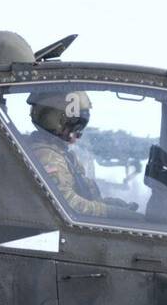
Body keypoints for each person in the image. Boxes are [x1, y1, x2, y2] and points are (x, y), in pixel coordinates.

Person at [25, 90, 137, 219]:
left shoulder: (61, 154)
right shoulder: (48, 157)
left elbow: (80, 195)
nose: (78, 135)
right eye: (75, 127)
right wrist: (111, 212)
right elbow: (67, 204)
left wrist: (109, 204)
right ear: (56, 122)